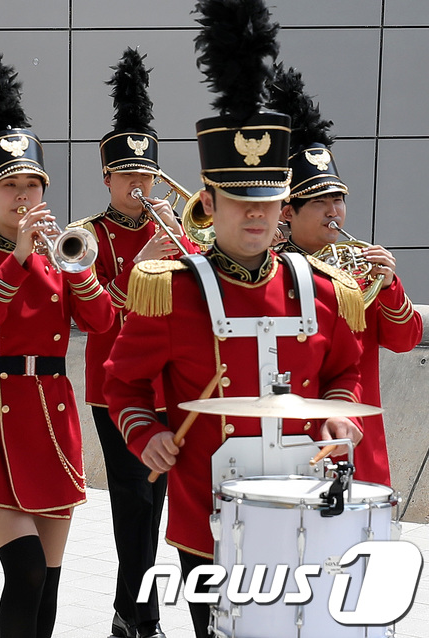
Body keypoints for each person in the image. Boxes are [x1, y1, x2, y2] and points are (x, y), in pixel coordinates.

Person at [104, 3, 365, 635]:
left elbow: (344, 376)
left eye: (269, 203)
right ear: (209, 201)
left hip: (303, 504)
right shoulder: (171, 292)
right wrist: (146, 436)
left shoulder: (326, 290)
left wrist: (337, 417)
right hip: (208, 516)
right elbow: (123, 385)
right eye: (242, 203)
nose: (257, 217)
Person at [0, 48, 114, 638]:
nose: (23, 197)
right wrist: (18, 258)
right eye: (11, 187)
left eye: (31, 186)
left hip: (54, 415)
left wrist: (82, 273)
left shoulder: (63, 256)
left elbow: (101, 324)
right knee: (21, 572)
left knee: (48, 580)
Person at [70, 49, 194, 638]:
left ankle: (129, 612)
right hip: (113, 388)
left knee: (157, 507)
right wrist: (138, 266)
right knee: (134, 504)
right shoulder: (89, 235)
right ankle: (139, 615)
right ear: (107, 179)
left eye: (146, 176)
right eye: (128, 178)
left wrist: (187, 242)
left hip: (172, 386)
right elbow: (94, 316)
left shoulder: (175, 231)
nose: (139, 187)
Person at [268, 63, 422, 488]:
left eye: (339, 199)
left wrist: (390, 286)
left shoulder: (363, 270)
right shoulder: (269, 272)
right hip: (290, 442)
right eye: (320, 202)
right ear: (287, 213)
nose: (334, 211)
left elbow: (405, 340)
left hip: (358, 440)